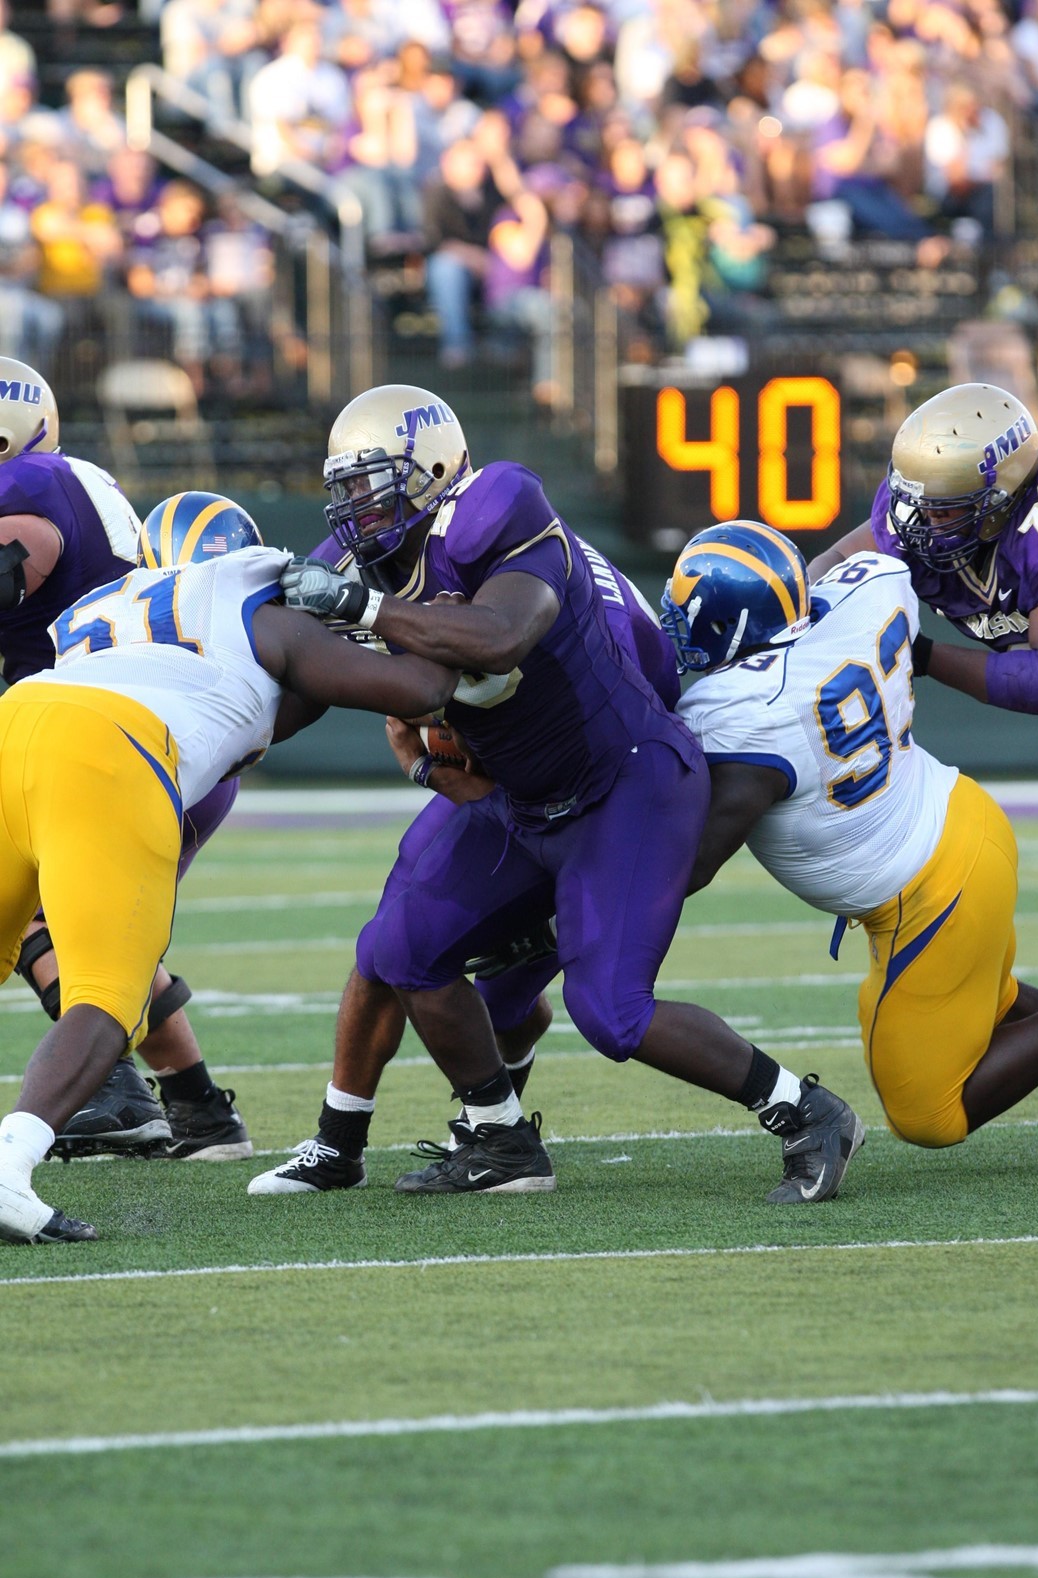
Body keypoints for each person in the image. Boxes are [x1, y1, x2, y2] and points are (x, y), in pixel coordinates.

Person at [275, 382, 863, 1204]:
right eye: (347, 490)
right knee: (401, 949)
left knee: (611, 1012)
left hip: (624, 783)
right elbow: (303, 676)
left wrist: (363, 609)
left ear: (432, 470)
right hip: (520, 799)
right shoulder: (354, 565)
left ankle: (806, 1111)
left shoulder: (497, 509)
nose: (358, 509)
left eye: (374, 485)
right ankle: (500, 1139)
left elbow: (498, 636)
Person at [0, 490, 459, 1244]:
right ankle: (8, 1168)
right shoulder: (263, 611)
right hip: (109, 749)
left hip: (18, 717)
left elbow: (265, 711)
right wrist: (394, 620)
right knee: (108, 1000)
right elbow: (424, 690)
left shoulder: (116, 600)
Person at [248, 528, 681, 1196]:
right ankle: (344, 1141)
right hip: (519, 781)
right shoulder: (403, 551)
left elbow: (568, 751)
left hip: (596, 793)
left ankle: (495, 1135)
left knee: (515, 992)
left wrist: (438, 760)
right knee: (391, 942)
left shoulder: (533, 575)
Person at [659, 520, 1038, 1151]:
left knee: (928, 1115)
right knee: (987, 999)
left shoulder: (739, 712)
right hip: (963, 817)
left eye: (693, 614)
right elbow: (871, 547)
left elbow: (689, 864)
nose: (681, 626)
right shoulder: (873, 586)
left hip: (932, 892)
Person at [0, 359, 247, 1161]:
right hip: (131, 740)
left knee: (60, 920)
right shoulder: (65, 479)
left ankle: (116, 1091)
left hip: (114, 744)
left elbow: (14, 563)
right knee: (97, 929)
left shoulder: (29, 485)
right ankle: (194, 1110)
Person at [807, 383, 1038, 722]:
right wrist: (802, 604)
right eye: (921, 502)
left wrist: (922, 654)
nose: (927, 518)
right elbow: (839, 559)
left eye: (944, 506)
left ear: (1003, 495)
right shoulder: (920, 504)